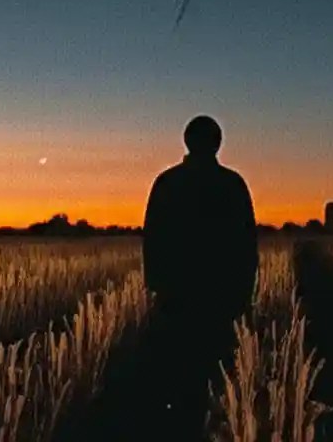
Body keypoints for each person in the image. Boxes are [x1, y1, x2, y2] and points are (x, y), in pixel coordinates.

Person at [139, 114, 259, 439]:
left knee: (178, 379)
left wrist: (156, 287)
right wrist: (244, 295)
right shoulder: (232, 184)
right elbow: (247, 245)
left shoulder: (167, 182)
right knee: (215, 378)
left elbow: (153, 240)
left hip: (176, 299)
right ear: (218, 143)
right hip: (221, 300)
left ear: (187, 142)